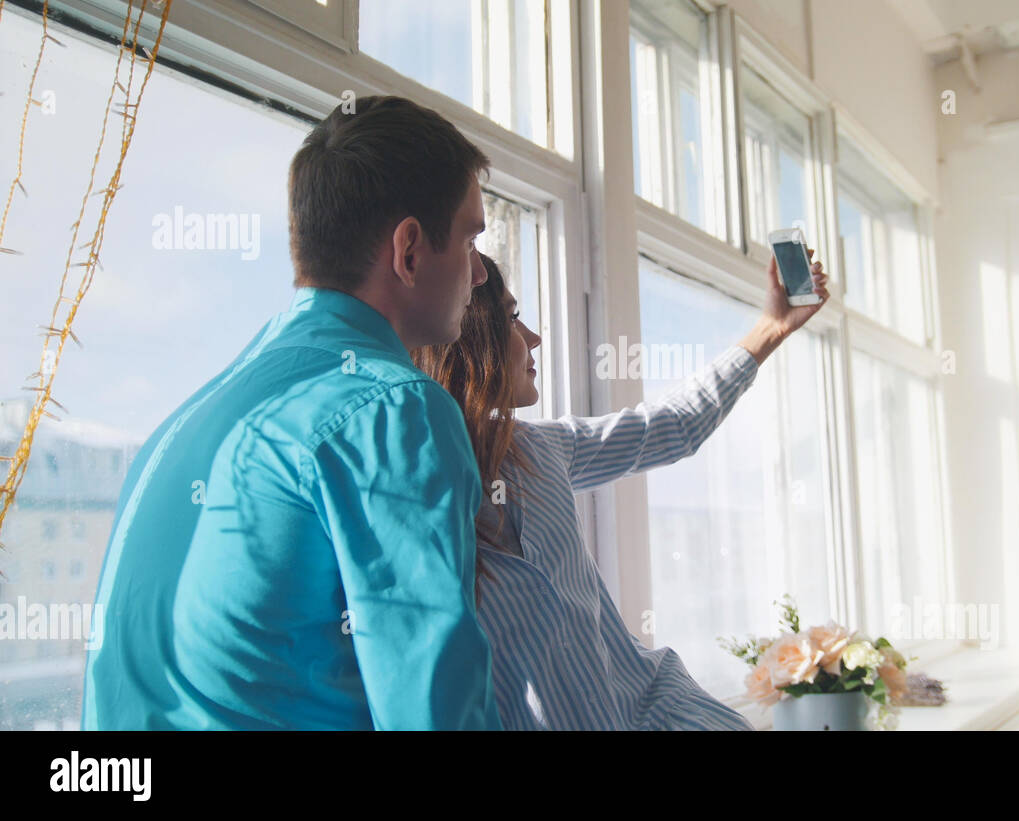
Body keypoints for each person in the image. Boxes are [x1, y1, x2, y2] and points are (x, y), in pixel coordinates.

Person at [83, 96, 502, 730]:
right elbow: (435, 717)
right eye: (471, 237)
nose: (476, 272)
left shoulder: (191, 420)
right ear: (409, 250)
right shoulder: (395, 409)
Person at [414, 250, 829, 729]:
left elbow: (674, 425)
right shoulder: (417, 500)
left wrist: (772, 327)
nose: (534, 338)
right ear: (469, 338)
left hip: (667, 713)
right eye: (511, 319)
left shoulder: (544, 447)